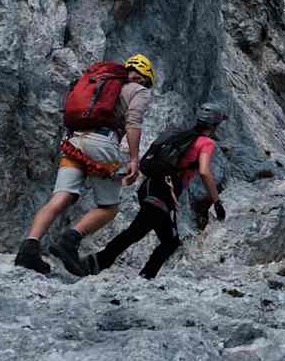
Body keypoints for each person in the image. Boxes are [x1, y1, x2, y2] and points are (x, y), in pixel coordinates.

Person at [14, 54, 154, 275]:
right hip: (101, 143)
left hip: (75, 140)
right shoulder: (140, 91)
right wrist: (135, 159)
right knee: (109, 208)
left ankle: (29, 249)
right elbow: (133, 123)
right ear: (145, 78)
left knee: (60, 198)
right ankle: (68, 242)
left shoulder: (103, 83)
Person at [72, 106, 228, 279]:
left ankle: (140, 274)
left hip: (151, 186)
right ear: (214, 124)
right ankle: (100, 263)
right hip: (163, 192)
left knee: (168, 241)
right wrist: (217, 202)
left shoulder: (181, 136)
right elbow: (205, 171)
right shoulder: (206, 142)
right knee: (138, 232)